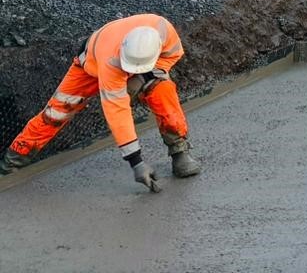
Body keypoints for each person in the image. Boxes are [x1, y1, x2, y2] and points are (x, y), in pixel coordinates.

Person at [2, 13, 200, 189]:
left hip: (146, 67)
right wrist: (136, 162)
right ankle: (12, 163)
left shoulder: (164, 31)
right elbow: (117, 111)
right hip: (89, 66)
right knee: (55, 114)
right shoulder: (110, 60)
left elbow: (172, 55)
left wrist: (142, 78)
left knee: (163, 90)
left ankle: (179, 151)